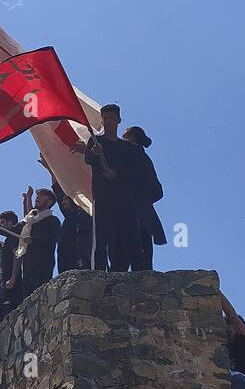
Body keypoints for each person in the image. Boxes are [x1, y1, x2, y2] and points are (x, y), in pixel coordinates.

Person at [69, 102, 140, 272]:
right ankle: (98, 273)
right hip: (102, 197)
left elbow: (132, 170)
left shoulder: (126, 146)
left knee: (129, 236)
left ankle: (137, 272)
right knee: (101, 237)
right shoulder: (96, 142)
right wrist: (94, 153)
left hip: (123, 198)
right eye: (105, 118)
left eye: (112, 118)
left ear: (118, 120)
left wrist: (116, 174)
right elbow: (88, 159)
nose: (108, 121)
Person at [121, 125, 166, 272]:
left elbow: (156, 189)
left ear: (132, 138)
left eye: (125, 136)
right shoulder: (143, 158)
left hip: (135, 209)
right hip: (141, 210)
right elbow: (157, 191)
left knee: (133, 248)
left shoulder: (134, 155)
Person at [6, 186, 60, 300]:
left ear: (49, 202)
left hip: (42, 265)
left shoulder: (52, 220)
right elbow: (13, 231)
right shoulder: (29, 222)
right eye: (37, 196)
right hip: (28, 266)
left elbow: (50, 238)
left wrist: (33, 239)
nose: (37, 198)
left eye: (41, 196)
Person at [40, 155, 92, 272]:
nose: (63, 201)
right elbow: (57, 189)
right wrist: (50, 169)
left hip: (81, 259)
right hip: (65, 260)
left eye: (65, 199)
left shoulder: (85, 214)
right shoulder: (69, 216)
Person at [0, 211, 21, 313]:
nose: (1, 226)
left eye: (3, 223)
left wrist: (13, 278)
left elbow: (17, 256)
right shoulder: (8, 239)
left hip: (12, 281)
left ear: (10, 223)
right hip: (6, 279)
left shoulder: (13, 237)